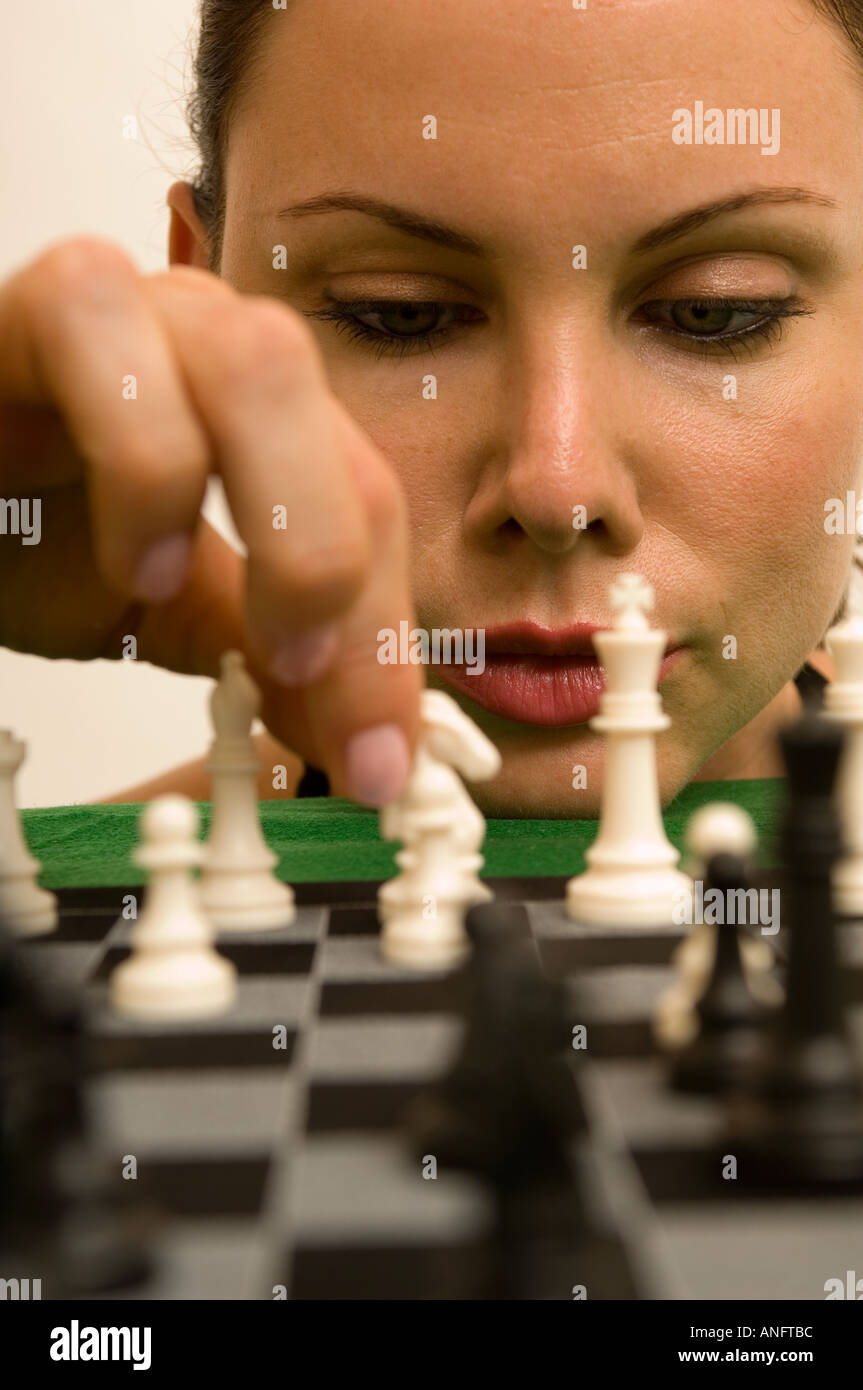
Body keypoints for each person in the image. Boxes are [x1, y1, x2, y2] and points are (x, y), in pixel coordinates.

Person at [0, 0, 860, 820]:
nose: (555, 491)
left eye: (714, 312)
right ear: (203, 303)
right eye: (398, 312)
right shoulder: (72, 901)